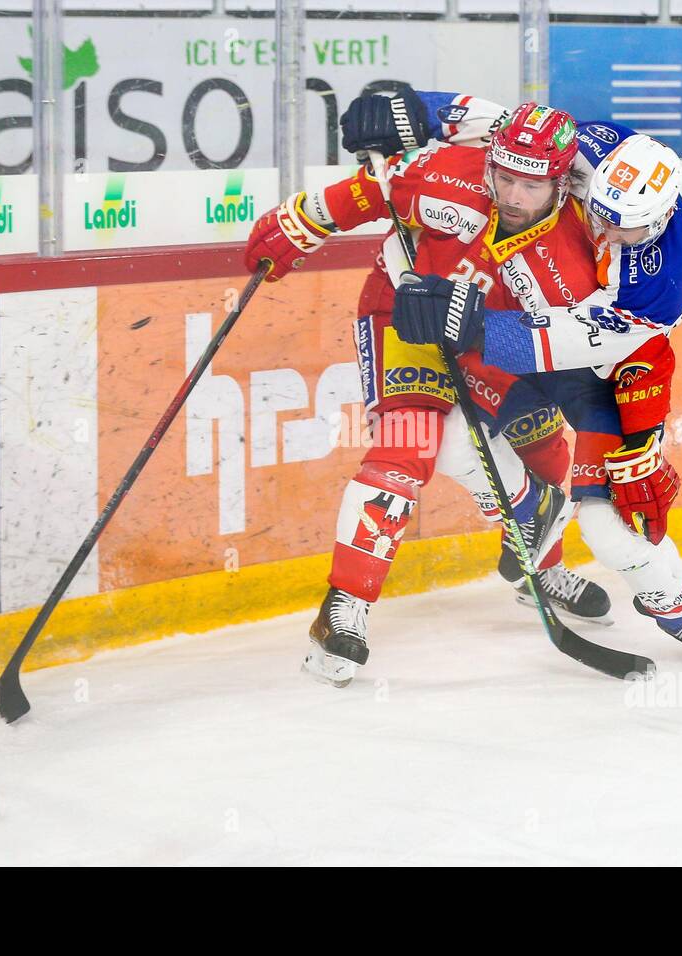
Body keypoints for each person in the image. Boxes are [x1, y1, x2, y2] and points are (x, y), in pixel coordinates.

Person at [340, 88, 682, 663]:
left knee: (610, 524)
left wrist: (475, 324)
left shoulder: (663, 284)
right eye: (599, 213)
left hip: (610, 373)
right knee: (456, 440)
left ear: (659, 218)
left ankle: (679, 608)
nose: (604, 231)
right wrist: (416, 109)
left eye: (624, 229)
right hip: (528, 323)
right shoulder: (601, 151)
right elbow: (513, 127)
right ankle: (531, 519)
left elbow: (564, 341)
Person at [243, 104, 610, 688]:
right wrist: (303, 223)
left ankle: (540, 565)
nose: (513, 195)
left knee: (546, 452)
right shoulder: (449, 173)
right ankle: (345, 611)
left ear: (561, 182)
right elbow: (379, 185)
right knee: (405, 450)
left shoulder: (573, 260)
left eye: (532, 183)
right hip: (403, 315)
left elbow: (562, 345)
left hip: (495, 341)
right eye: (505, 176)